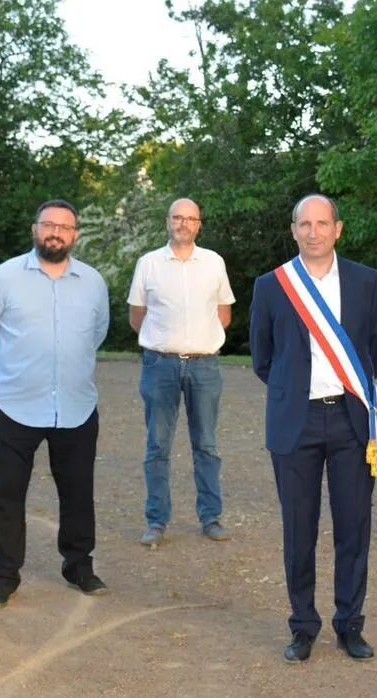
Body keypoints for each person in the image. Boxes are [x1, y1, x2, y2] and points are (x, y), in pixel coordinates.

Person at [250, 194, 377, 663]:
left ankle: (350, 624)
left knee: (354, 527)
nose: (313, 232)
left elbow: (376, 350)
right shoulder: (271, 285)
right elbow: (263, 358)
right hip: (296, 423)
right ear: (293, 230)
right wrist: (295, 391)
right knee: (298, 530)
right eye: (304, 224)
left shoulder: (366, 280)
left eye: (322, 223)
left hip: (351, 421)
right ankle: (303, 625)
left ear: (337, 229)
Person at [0, 199, 110, 610]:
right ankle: (3, 577)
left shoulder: (93, 282)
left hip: (76, 406)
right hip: (14, 406)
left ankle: (79, 566)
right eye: (48, 225)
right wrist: (7, 369)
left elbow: (97, 332)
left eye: (64, 227)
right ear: (35, 229)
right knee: (7, 494)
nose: (55, 233)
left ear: (75, 234)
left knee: (78, 492)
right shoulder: (4, 277)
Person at [127, 198, 235, 546]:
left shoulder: (214, 262)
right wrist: (166, 342)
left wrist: (198, 341)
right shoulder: (149, 264)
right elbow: (137, 317)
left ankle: (211, 517)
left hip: (205, 365)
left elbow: (224, 314)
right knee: (157, 444)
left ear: (199, 224)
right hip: (160, 364)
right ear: (168, 221)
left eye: (190, 218)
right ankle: (156, 520)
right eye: (177, 217)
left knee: (207, 444)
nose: (183, 223)